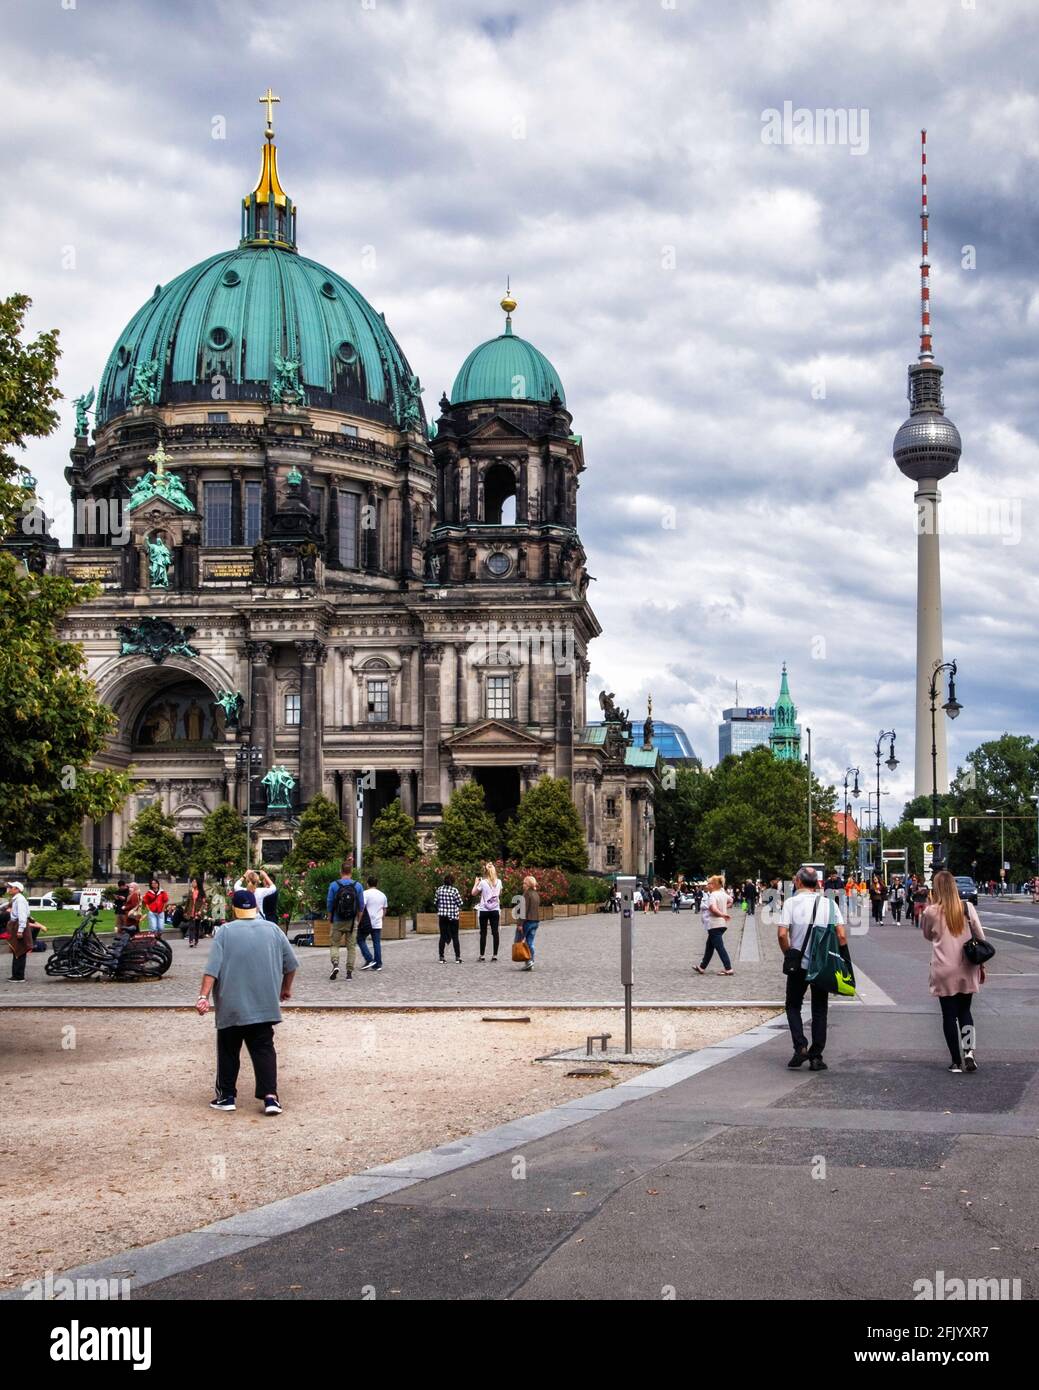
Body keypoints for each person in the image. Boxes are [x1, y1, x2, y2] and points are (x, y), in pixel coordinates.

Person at [196, 888, 298, 1114]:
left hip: (231, 1005)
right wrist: (285, 989)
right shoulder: (273, 930)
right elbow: (291, 964)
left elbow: (212, 969)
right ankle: (271, 1097)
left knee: (229, 1050)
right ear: (255, 907)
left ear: (234, 909)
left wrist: (203, 997)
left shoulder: (225, 932)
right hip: (264, 1004)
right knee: (264, 1049)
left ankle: (227, 1096)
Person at [778, 866, 847, 1071]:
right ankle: (817, 1056)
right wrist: (842, 959)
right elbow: (841, 935)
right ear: (818, 883)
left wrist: (790, 954)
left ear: (798, 882)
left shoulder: (791, 903)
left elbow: (782, 934)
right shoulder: (829, 904)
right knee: (819, 1009)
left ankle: (800, 1046)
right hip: (822, 965)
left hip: (799, 963)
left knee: (793, 1005)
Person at [921, 869, 987, 1072]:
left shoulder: (931, 911)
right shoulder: (966, 908)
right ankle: (969, 1052)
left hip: (943, 967)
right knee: (965, 1011)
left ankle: (955, 1061)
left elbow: (927, 935)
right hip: (967, 966)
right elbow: (980, 935)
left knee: (949, 1015)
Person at [326, 861, 365, 981]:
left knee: (334, 944)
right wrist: (358, 919)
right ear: (351, 872)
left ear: (340, 871)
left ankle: (336, 964)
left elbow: (330, 903)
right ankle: (349, 973)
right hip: (351, 921)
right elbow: (361, 905)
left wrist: (330, 918)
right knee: (351, 947)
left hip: (337, 920)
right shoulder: (358, 886)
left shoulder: (334, 885)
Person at [694, 873, 733, 976]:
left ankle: (728, 968)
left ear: (714, 885)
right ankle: (702, 967)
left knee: (719, 947)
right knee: (709, 946)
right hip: (722, 925)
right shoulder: (723, 894)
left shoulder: (713, 895)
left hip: (714, 924)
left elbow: (713, 909)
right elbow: (731, 901)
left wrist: (722, 914)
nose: (707, 885)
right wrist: (724, 908)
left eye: (709, 883)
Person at [472, 862, 501, 962]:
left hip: (484, 909)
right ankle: (495, 955)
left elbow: (473, 893)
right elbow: (499, 894)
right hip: (495, 909)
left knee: (483, 933)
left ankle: (482, 955)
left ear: (486, 872)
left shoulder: (483, 882)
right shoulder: (499, 882)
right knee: (495, 932)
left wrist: (476, 883)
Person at [358, 873, 388, 973]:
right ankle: (378, 964)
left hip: (367, 921)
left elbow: (362, 908)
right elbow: (384, 909)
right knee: (377, 943)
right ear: (377, 884)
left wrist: (359, 920)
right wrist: (381, 918)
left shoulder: (365, 893)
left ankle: (369, 958)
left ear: (367, 884)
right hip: (377, 922)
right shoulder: (382, 895)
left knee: (360, 939)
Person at [5, 882, 31, 982]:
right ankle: (17, 974)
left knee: (19, 951)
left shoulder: (19, 900)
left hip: (18, 926)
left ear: (17, 889)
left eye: (11, 887)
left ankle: (19, 976)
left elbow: (22, 916)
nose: (9, 889)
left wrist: (20, 930)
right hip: (17, 925)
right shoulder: (17, 899)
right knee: (17, 950)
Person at [435, 872, 463, 964]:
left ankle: (441, 957)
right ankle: (457, 957)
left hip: (442, 916)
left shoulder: (439, 889)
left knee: (442, 936)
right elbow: (460, 903)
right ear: (453, 882)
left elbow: (435, 902)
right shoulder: (454, 890)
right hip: (453, 916)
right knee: (455, 937)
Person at [518, 874, 540, 971]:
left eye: (524, 883)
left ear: (528, 884)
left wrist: (520, 924)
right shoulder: (536, 894)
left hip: (527, 921)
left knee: (521, 942)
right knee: (530, 942)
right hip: (535, 922)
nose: (523, 884)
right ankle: (531, 961)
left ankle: (528, 961)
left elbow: (523, 910)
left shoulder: (526, 894)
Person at [181, 876, 208, 948]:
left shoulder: (202, 892)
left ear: (198, 883)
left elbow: (204, 903)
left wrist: (200, 911)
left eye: (194, 882)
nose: (193, 883)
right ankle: (191, 941)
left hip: (198, 912)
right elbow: (188, 902)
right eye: (192, 882)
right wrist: (185, 911)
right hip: (191, 912)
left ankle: (196, 940)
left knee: (197, 927)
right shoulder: (191, 891)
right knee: (191, 926)